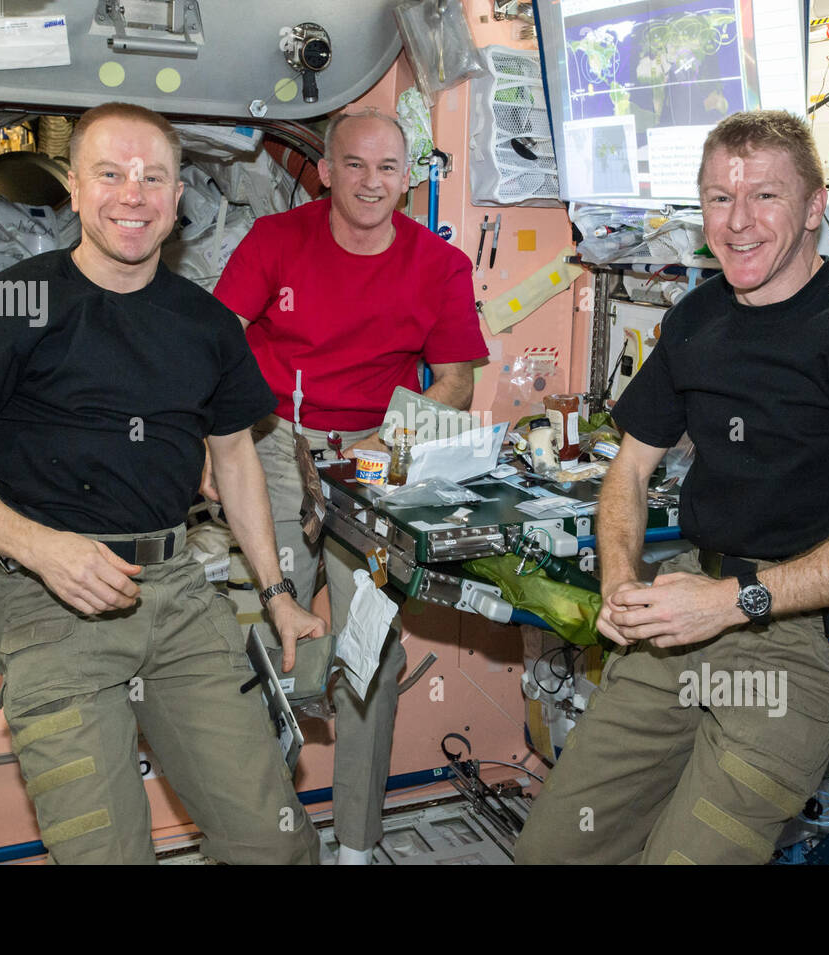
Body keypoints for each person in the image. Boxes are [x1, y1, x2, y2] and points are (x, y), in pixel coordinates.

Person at [516, 110, 829, 865]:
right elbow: (629, 468)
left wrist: (736, 601)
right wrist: (621, 578)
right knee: (553, 852)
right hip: (690, 605)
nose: (738, 220)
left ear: (815, 206)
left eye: (764, 195)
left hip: (795, 641)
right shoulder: (697, 317)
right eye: (719, 198)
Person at [0, 102, 325, 865]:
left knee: (274, 839)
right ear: (72, 188)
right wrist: (44, 550)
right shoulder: (11, 300)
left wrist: (277, 594)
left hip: (178, 594)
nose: (133, 193)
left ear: (177, 199)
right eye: (110, 173)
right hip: (50, 600)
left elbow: (235, 460)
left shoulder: (208, 324)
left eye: (152, 176)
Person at [213, 107, 487, 863]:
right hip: (274, 439)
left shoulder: (439, 265)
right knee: (264, 637)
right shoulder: (276, 241)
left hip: (376, 456)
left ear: (409, 177)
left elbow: (457, 383)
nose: (372, 182)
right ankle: (255, 836)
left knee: (372, 650)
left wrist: (389, 437)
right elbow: (216, 342)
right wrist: (216, 444)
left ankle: (358, 843)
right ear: (327, 171)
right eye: (355, 166)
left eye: (389, 167)